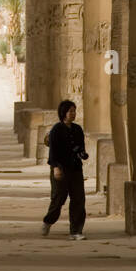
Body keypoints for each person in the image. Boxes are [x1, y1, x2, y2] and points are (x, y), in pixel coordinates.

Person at [42, 99, 88, 240]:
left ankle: (76, 231)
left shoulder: (77, 129)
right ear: (63, 113)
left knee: (78, 199)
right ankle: (48, 221)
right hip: (60, 169)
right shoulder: (56, 130)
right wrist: (55, 167)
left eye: (74, 111)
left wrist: (82, 154)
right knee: (58, 199)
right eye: (70, 111)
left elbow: (81, 147)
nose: (73, 114)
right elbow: (53, 151)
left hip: (75, 169)